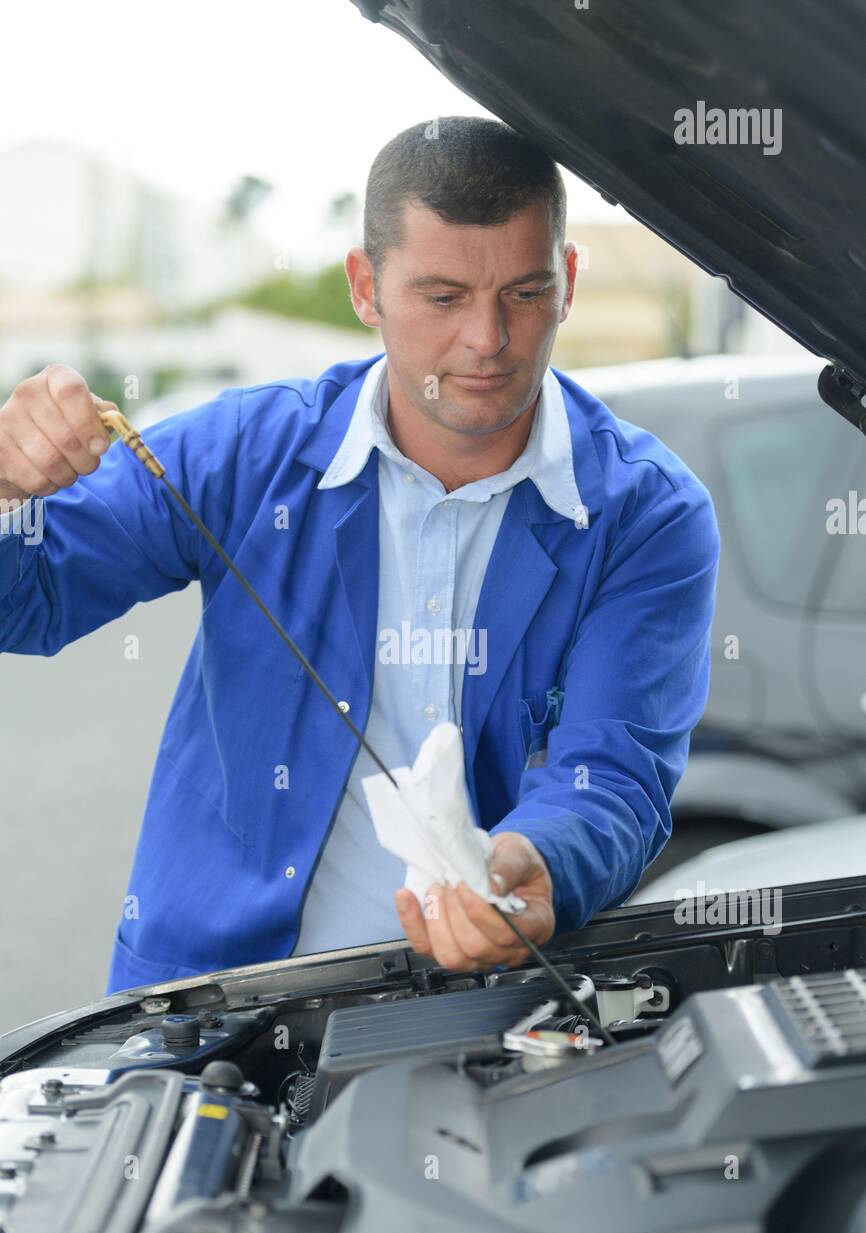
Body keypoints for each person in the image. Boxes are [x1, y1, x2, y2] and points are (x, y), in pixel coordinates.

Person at [0, 117, 720, 992]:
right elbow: (28, 601)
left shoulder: (649, 514)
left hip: (492, 1015)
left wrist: (540, 860)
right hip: (212, 1007)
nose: (487, 340)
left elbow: (613, 774)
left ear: (567, 281)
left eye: (523, 294)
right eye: (444, 297)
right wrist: (5, 488)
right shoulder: (245, 452)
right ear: (365, 287)